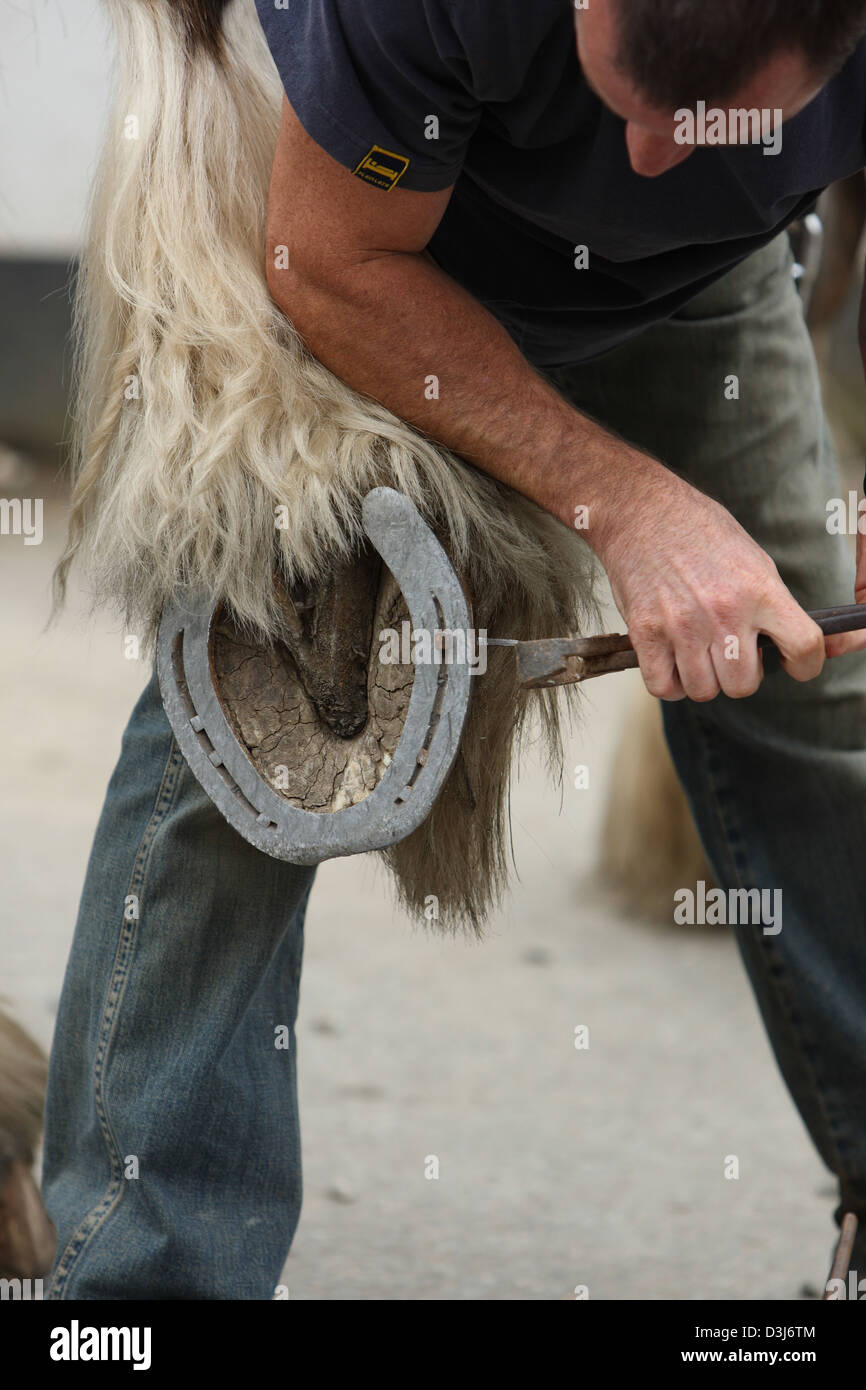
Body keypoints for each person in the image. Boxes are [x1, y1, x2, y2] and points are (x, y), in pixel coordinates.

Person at [42, 0, 866, 1298]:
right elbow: (329, 260)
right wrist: (636, 509)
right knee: (261, 702)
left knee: (816, 686)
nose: (651, 156)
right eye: (630, 95)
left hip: (702, 287)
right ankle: (142, 1290)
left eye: (712, 124)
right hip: (381, 252)